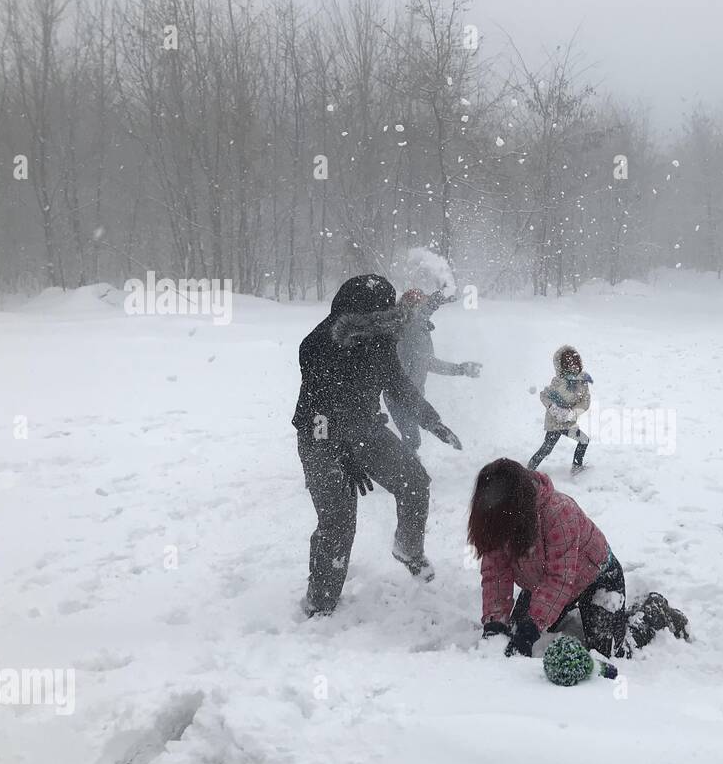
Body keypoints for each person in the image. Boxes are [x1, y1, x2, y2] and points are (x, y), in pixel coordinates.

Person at [292, 274, 463, 615]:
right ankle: (320, 602)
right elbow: (317, 410)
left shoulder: (382, 341)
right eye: (376, 318)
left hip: (366, 428)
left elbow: (398, 386)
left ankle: (408, 548)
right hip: (320, 436)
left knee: (415, 481)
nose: (383, 325)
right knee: (339, 519)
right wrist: (343, 454)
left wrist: (431, 421)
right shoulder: (318, 346)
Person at [468, 459, 689, 659]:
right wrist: (495, 623)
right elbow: (496, 573)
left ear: (516, 506)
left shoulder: (559, 512)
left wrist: (532, 627)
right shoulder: (497, 518)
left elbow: (559, 579)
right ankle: (568, 611)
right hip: (543, 582)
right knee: (514, 631)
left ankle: (653, 613)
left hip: (596, 578)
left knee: (610, 653)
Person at [385, 287, 481, 452]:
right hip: (400, 394)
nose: (426, 307)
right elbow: (429, 362)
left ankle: (408, 469)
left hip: (410, 392)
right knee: (412, 440)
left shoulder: (414, 325)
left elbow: (427, 361)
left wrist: (441, 295)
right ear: (413, 308)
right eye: (422, 303)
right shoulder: (411, 330)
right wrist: (460, 369)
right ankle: (408, 472)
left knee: (412, 439)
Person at [528, 345, 593, 474]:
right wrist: (554, 409)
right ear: (561, 365)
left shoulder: (582, 382)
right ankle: (529, 469)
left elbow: (585, 401)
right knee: (546, 449)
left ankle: (576, 466)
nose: (573, 365)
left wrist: (573, 413)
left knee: (584, 440)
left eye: (575, 362)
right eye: (568, 363)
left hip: (568, 423)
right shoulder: (558, 382)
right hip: (555, 424)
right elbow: (544, 395)